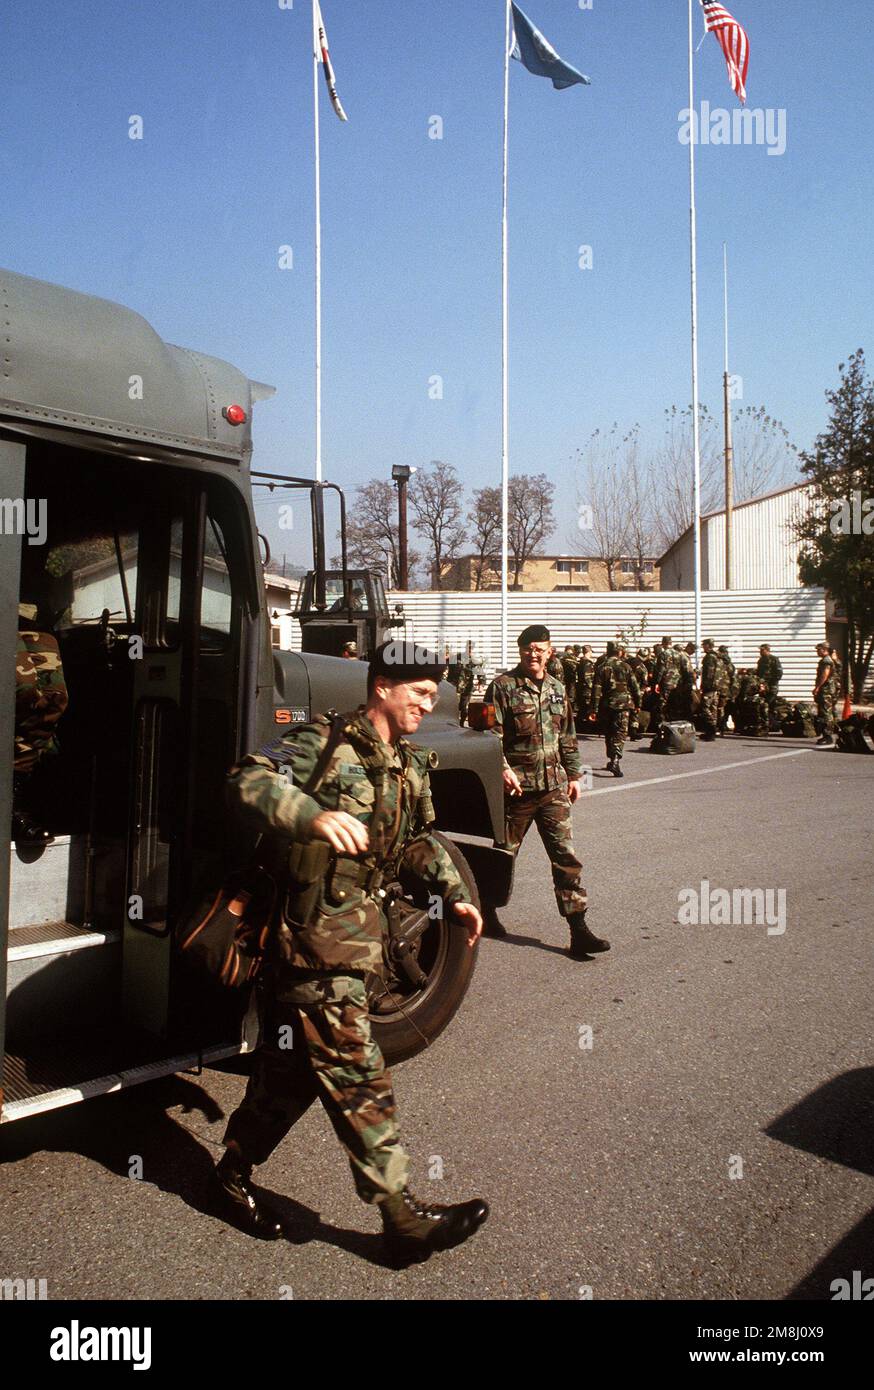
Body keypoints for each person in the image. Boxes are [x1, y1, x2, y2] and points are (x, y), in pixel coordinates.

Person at [215, 641, 488, 1263]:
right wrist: (309, 815)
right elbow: (244, 780)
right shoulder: (325, 743)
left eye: (433, 692)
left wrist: (453, 891)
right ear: (383, 686)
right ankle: (402, 1219)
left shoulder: (408, 764)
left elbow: (417, 843)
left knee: (290, 1075)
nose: (430, 702)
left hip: (361, 944)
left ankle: (228, 1177)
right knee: (359, 1069)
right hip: (312, 942)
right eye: (419, 691)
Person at [483, 624, 607, 958]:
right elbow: (489, 735)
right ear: (520, 651)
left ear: (549, 652)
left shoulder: (556, 688)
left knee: (566, 858)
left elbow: (567, 734)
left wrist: (574, 775)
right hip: (518, 790)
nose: (533, 655)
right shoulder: (502, 688)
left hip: (553, 788)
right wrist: (502, 768)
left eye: (539, 650)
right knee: (503, 856)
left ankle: (578, 930)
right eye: (527, 650)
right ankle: (486, 908)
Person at [14, 603, 69, 843]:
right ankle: (10, 807)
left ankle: (15, 789)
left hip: (28, 614)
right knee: (24, 690)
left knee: (55, 696)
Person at [591, 639, 641, 777]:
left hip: (607, 704)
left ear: (607, 651)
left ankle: (611, 758)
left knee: (609, 732)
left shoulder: (601, 667)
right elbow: (635, 687)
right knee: (619, 733)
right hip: (623, 704)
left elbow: (596, 690)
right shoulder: (626, 666)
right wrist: (638, 703)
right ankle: (615, 760)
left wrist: (593, 709)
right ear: (619, 652)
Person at [812, 641, 838, 746]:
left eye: (819, 649)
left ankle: (828, 736)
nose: (817, 652)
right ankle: (828, 734)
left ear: (824, 649)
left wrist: (817, 687)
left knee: (826, 713)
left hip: (826, 691)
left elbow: (824, 675)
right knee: (827, 712)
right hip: (829, 690)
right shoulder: (830, 660)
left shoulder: (826, 661)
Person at [698, 639, 723, 742]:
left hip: (710, 687)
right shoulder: (718, 657)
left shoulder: (710, 657)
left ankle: (711, 728)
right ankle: (711, 732)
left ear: (708, 646)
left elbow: (709, 673)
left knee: (705, 707)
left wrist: (705, 686)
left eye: (704, 645)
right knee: (713, 708)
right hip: (717, 686)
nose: (703, 647)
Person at [756, 644, 783, 731]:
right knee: (763, 705)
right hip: (763, 686)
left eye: (762, 650)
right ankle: (767, 724)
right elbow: (759, 674)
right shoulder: (761, 660)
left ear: (767, 650)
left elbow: (779, 673)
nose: (760, 652)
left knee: (769, 704)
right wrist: (760, 684)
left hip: (771, 686)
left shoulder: (774, 659)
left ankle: (772, 725)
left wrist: (771, 683)